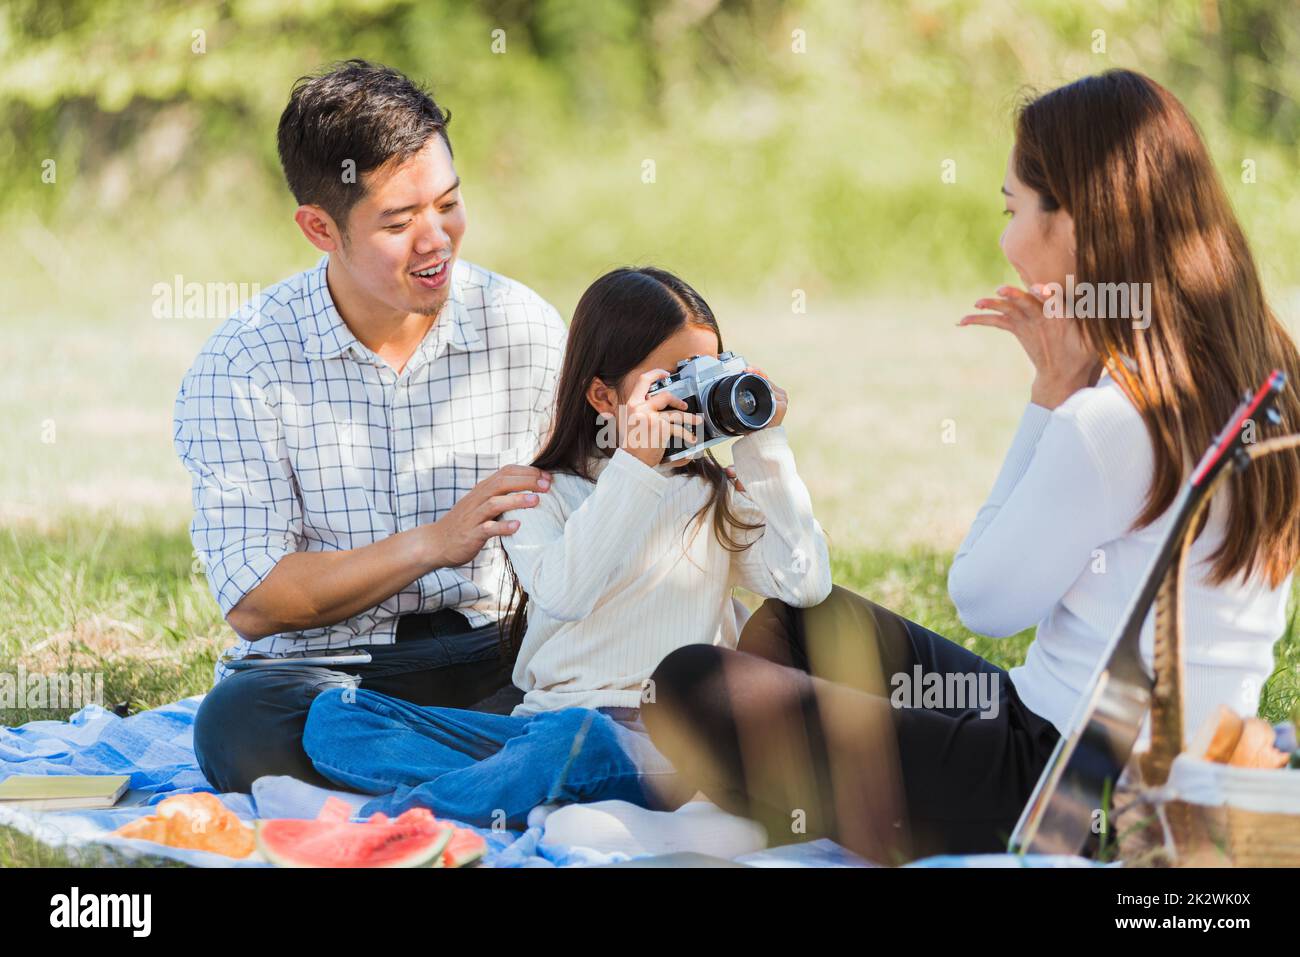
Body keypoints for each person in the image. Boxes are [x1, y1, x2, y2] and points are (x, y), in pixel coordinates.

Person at [642, 68, 1300, 864]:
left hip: (1069, 792)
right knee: (796, 617)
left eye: (1013, 207)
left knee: (688, 681)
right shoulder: (1266, 376)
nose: (1005, 240)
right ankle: (818, 802)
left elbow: (983, 597)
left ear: (1078, 221)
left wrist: (1048, 400)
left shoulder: (1114, 417)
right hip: (1146, 754)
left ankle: (809, 810)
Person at [299, 266, 832, 828]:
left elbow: (805, 582)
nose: (693, 400)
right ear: (604, 395)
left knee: (571, 741)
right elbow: (565, 594)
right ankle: (513, 778)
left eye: (705, 374)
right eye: (671, 382)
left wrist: (762, 441)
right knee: (337, 718)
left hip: (664, 741)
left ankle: (395, 824)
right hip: (542, 725)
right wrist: (636, 465)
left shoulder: (712, 495)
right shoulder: (537, 493)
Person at [173, 60, 567, 794]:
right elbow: (256, 598)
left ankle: (460, 769)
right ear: (320, 227)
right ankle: (526, 766)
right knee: (239, 725)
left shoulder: (525, 329)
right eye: (398, 221)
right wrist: (433, 543)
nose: (436, 240)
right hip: (330, 676)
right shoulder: (244, 361)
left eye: (448, 204)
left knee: (645, 678)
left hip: (499, 658)